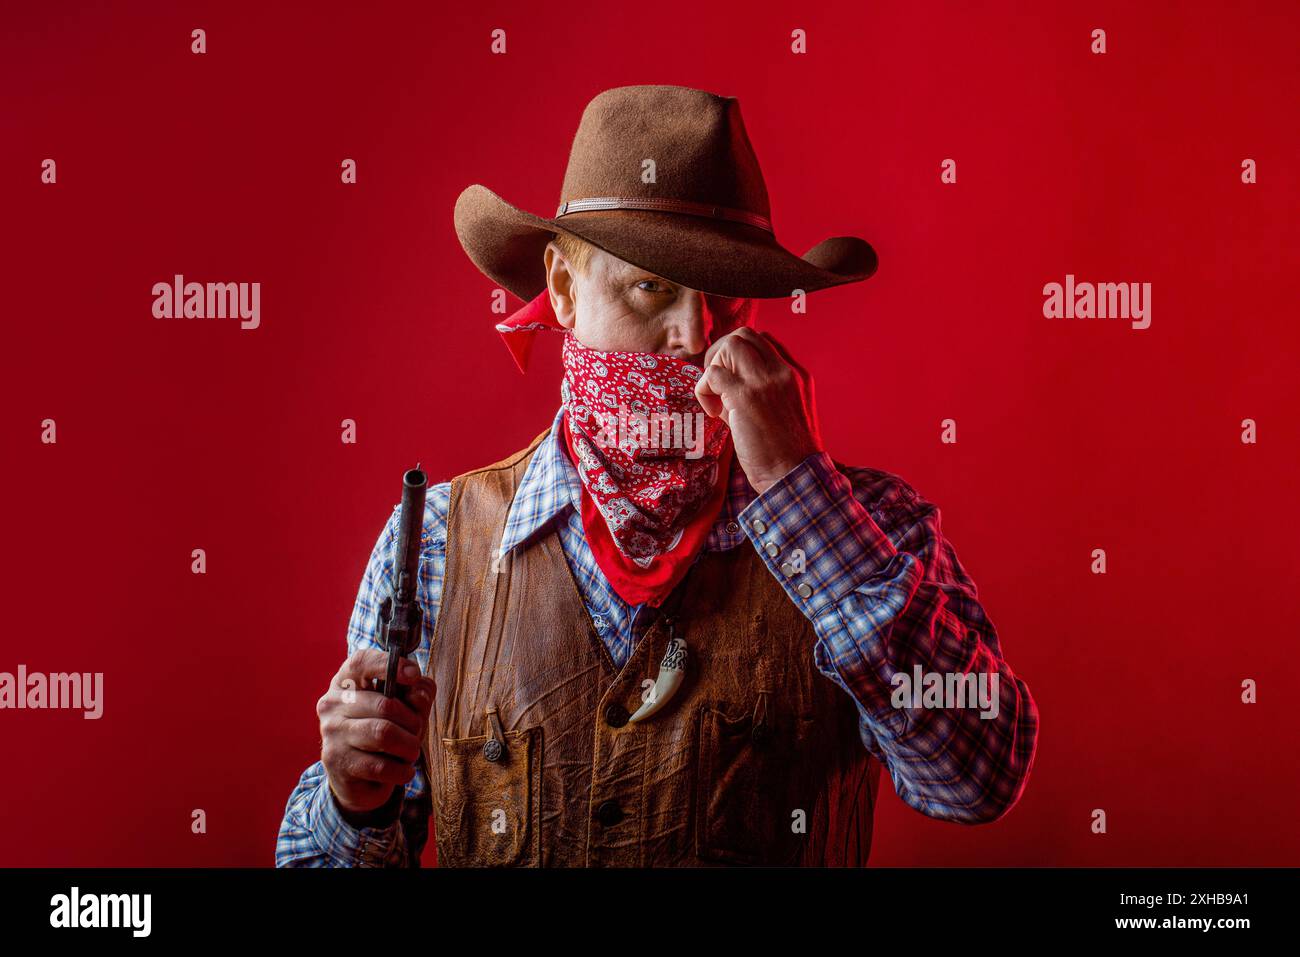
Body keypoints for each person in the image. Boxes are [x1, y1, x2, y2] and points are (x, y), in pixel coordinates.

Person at [276, 84, 1038, 867]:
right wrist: (349, 800)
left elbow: (976, 779)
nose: (693, 334)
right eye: (653, 287)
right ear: (565, 292)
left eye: (724, 294)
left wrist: (804, 496)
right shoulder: (437, 542)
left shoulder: (878, 531)